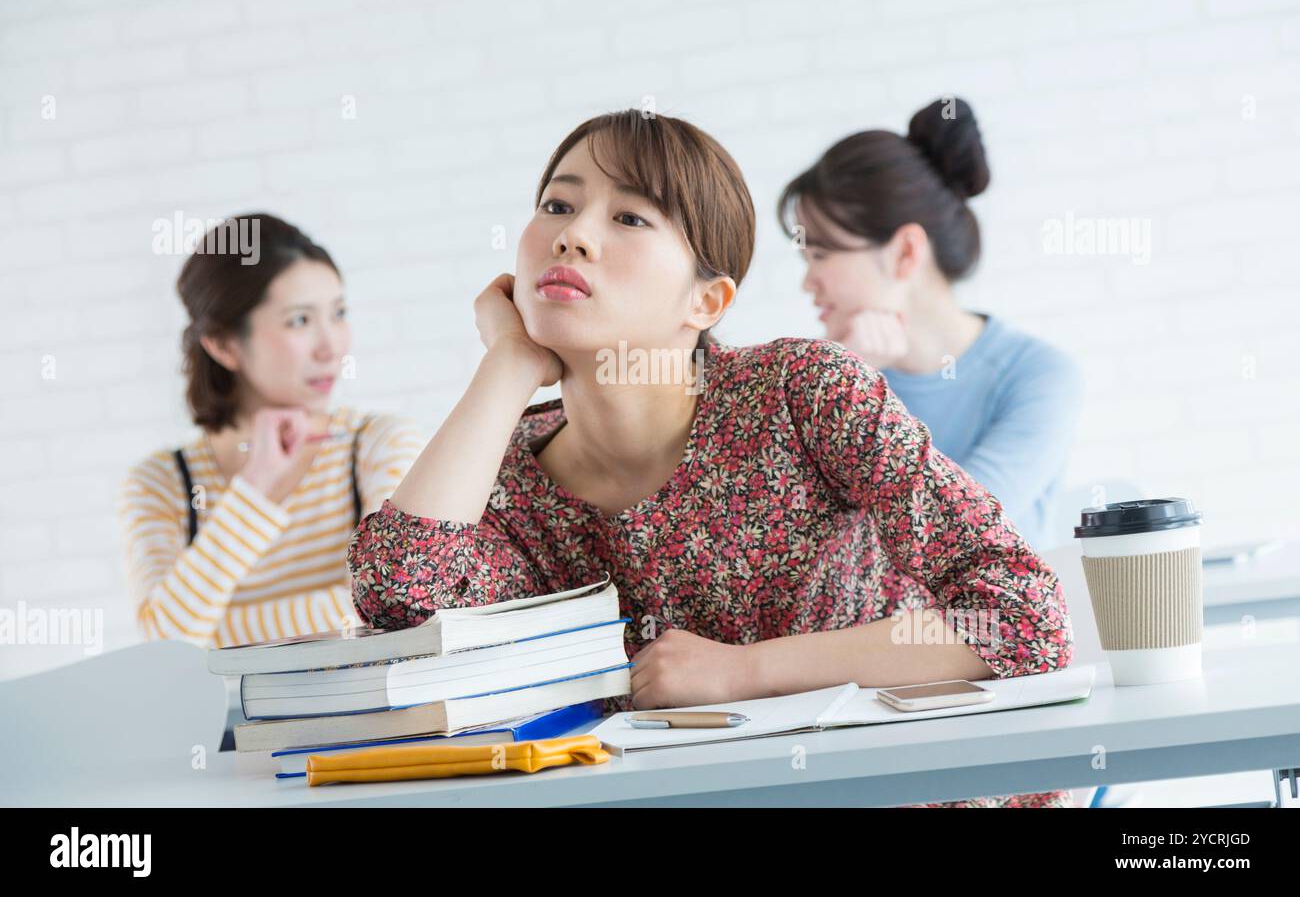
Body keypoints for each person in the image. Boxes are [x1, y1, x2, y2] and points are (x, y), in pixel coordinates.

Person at [347, 110, 1077, 807]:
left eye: (628, 217)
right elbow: (400, 600)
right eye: (557, 206)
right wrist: (506, 366)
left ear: (707, 300)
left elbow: (1022, 614)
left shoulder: (805, 392)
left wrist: (746, 671)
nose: (573, 237)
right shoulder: (508, 480)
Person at [780, 97, 1084, 548]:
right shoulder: (830, 376)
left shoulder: (1037, 375)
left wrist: (849, 389)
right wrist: (840, 382)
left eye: (821, 255)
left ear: (905, 252)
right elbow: (780, 543)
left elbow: (959, 526)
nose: (808, 282)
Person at [117, 213, 423, 648]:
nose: (331, 346)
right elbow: (167, 647)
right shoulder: (161, 483)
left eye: (338, 313)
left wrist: (220, 631)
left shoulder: (379, 444)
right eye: (299, 321)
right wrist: (256, 490)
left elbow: (400, 605)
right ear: (224, 345)